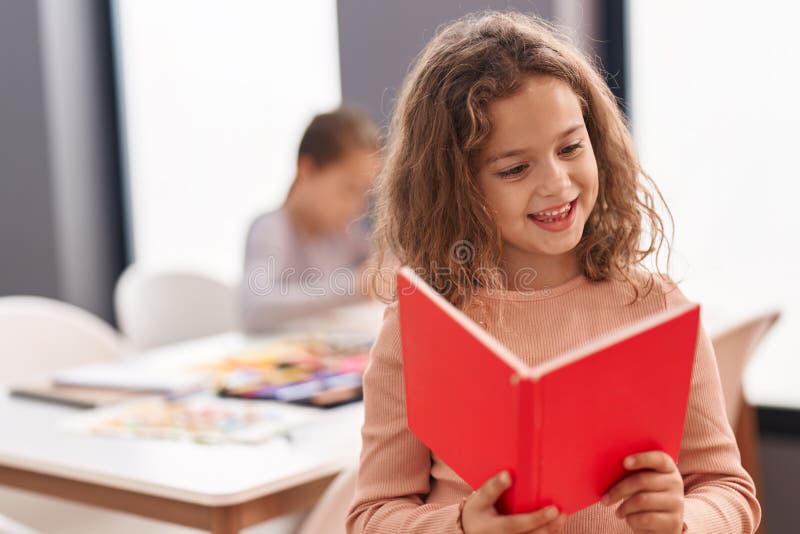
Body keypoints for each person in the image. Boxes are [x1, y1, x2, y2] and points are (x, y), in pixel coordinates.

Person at [346, 11, 760, 534]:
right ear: (457, 186)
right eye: (515, 168)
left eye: (570, 147)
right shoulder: (419, 329)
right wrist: (461, 528)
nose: (557, 183)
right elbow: (371, 517)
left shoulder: (652, 305)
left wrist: (683, 520)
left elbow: (729, 491)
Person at [240, 108, 380, 334]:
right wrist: (354, 287)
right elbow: (255, 307)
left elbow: (378, 269)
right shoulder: (271, 229)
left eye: (365, 193)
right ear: (307, 169)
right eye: (348, 189)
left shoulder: (346, 233)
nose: (359, 207)